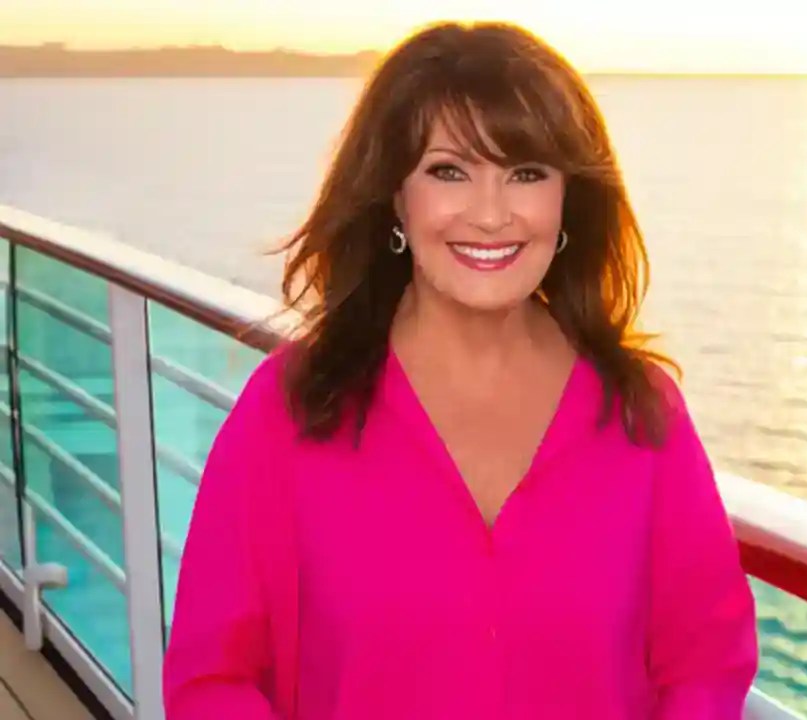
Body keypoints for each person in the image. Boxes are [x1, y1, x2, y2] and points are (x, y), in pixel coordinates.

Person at [162, 20, 759, 720]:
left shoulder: (639, 412)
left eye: (526, 173)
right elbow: (212, 680)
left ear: (567, 198)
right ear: (395, 194)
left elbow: (706, 663)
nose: (490, 215)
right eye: (449, 171)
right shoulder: (292, 407)